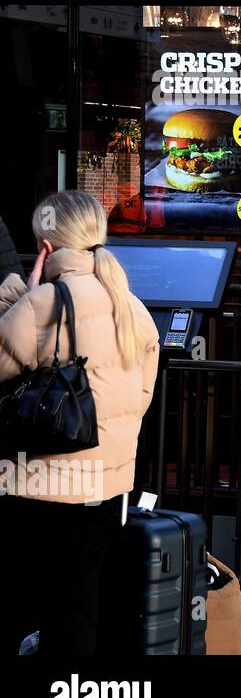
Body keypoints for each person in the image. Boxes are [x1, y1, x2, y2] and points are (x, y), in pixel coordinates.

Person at [0, 191, 159, 655]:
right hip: (107, 488)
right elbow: (141, 398)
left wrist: (13, 296)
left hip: (37, 486)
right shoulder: (132, 305)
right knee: (79, 610)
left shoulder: (37, 306)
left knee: (20, 605)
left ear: (45, 245)